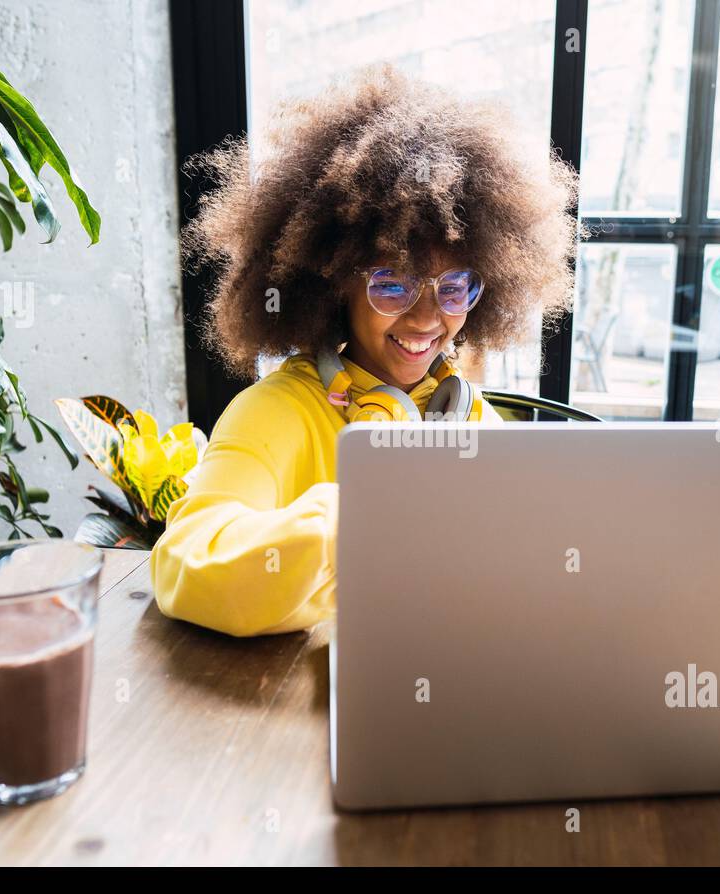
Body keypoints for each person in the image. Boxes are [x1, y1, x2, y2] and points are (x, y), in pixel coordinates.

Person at [150, 63, 579, 636]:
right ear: (334, 283)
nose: (429, 318)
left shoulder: (463, 412)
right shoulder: (274, 411)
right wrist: (369, 512)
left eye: (454, 288)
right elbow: (187, 563)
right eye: (393, 283)